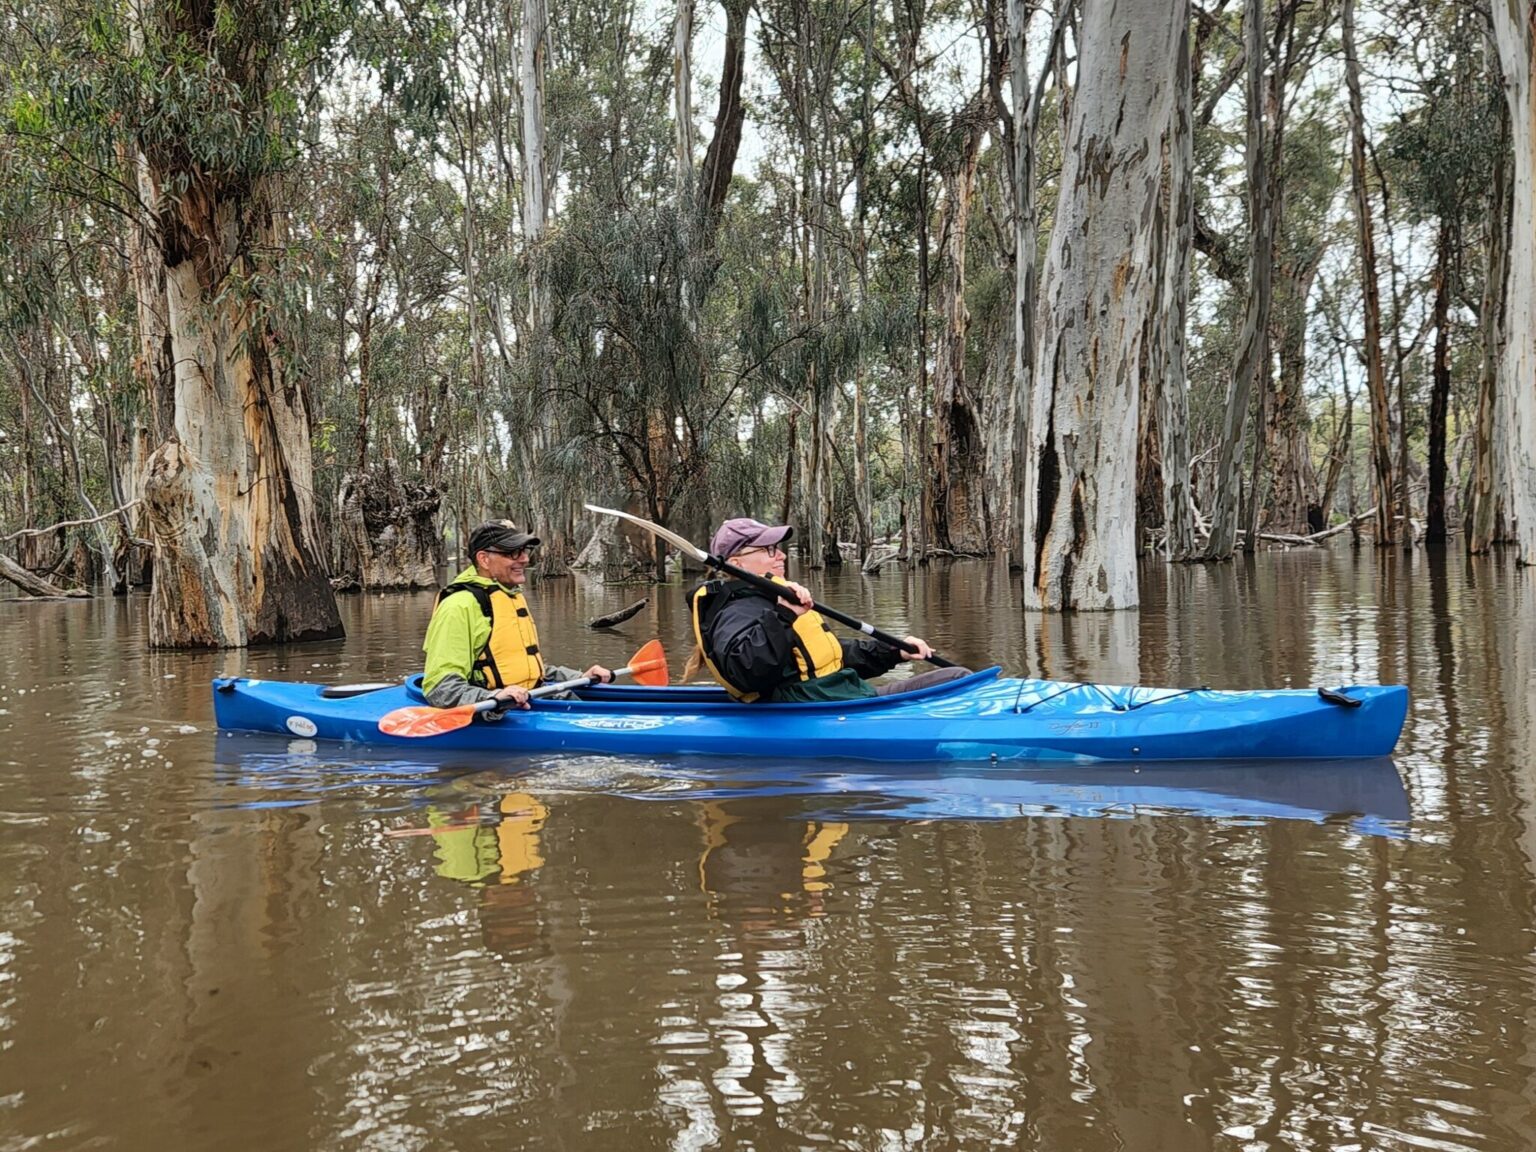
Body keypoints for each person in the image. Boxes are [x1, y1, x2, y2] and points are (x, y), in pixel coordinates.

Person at [686, 517, 971, 703]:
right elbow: (749, 672)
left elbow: (830, 656)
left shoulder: (773, 599)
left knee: (958, 677)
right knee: (959, 683)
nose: (782, 555)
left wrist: (894, 651)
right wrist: (783, 615)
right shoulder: (737, 610)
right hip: (822, 708)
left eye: (778, 547)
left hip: (843, 695)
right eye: (769, 550)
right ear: (737, 563)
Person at [422, 520, 612, 712]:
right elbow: (440, 688)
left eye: (524, 550)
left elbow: (522, 670)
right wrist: (493, 696)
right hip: (498, 713)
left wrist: (577, 678)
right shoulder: (458, 606)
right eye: (513, 552)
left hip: (531, 699)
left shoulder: (509, 594)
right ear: (484, 559)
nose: (524, 559)